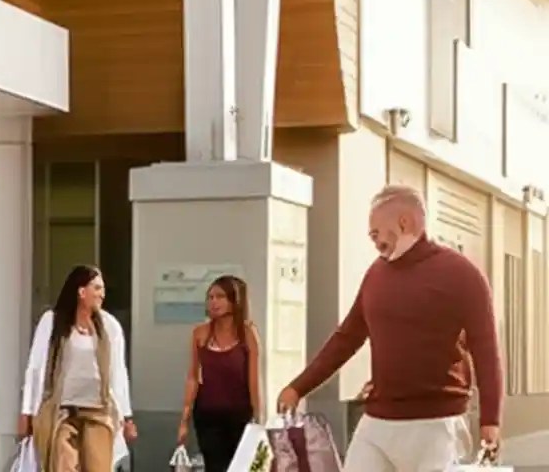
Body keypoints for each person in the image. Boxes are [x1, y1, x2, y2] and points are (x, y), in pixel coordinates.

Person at [277, 184, 503, 471]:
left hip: (437, 426)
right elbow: (346, 338)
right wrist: (298, 387)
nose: (373, 241)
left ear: (404, 222)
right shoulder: (376, 275)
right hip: (378, 423)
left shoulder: (462, 274)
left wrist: (491, 421)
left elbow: (486, 351)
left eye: (375, 233)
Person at [19, 265, 137, 472]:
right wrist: (26, 412)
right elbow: (35, 368)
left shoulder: (110, 326)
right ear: (82, 292)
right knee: (63, 465)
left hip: (99, 412)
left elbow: (118, 372)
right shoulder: (52, 322)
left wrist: (126, 417)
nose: (103, 294)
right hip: (61, 411)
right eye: (97, 288)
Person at [176, 276, 261, 472]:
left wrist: (258, 417)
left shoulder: (247, 334)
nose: (213, 302)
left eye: (220, 296)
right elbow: (193, 377)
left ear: (234, 300)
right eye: (210, 297)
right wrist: (184, 421)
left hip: (239, 414)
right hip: (208, 415)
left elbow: (254, 379)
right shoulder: (200, 334)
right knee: (215, 466)